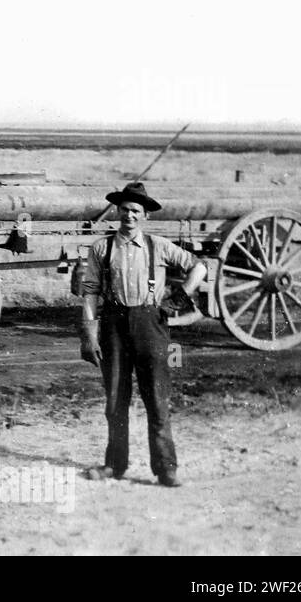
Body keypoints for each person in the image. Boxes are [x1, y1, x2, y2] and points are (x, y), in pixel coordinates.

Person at [78, 182, 207, 488]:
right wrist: (88, 333)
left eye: (136, 210)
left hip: (150, 324)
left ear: (145, 215)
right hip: (113, 325)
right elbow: (90, 292)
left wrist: (178, 299)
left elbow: (199, 267)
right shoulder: (101, 247)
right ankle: (114, 465)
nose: (129, 216)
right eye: (124, 209)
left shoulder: (158, 246)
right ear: (117, 211)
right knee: (115, 401)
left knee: (157, 399)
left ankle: (166, 468)